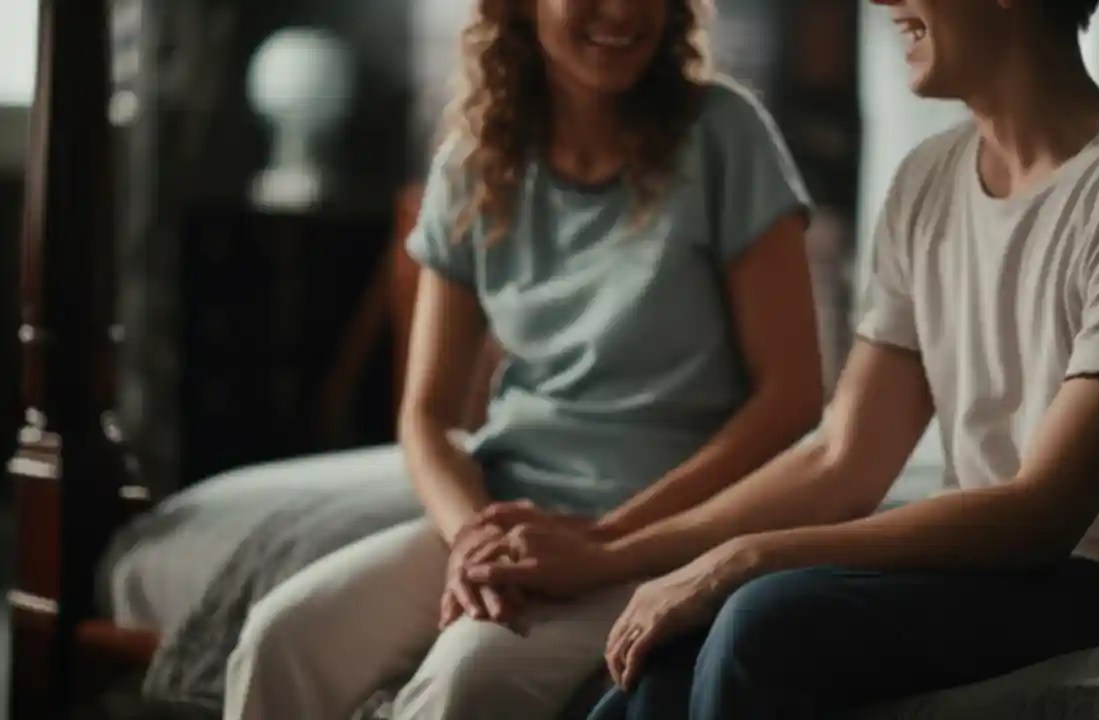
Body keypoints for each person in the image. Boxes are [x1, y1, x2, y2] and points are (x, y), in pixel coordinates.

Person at [462, 0, 1099, 717]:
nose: (879, 3)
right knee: (657, 664)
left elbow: (1041, 514)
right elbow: (844, 458)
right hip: (994, 564)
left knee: (762, 620)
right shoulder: (926, 183)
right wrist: (613, 554)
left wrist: (743, 559)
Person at [221, 0, 823, 718]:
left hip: (665, 532)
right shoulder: (476, 161)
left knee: (465, 681)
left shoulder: (726, 134)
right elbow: (429, 414)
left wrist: (604, 542)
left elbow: (791, 398)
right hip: (512, 516)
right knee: (279, 640)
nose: (626, 9)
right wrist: (470, 537)